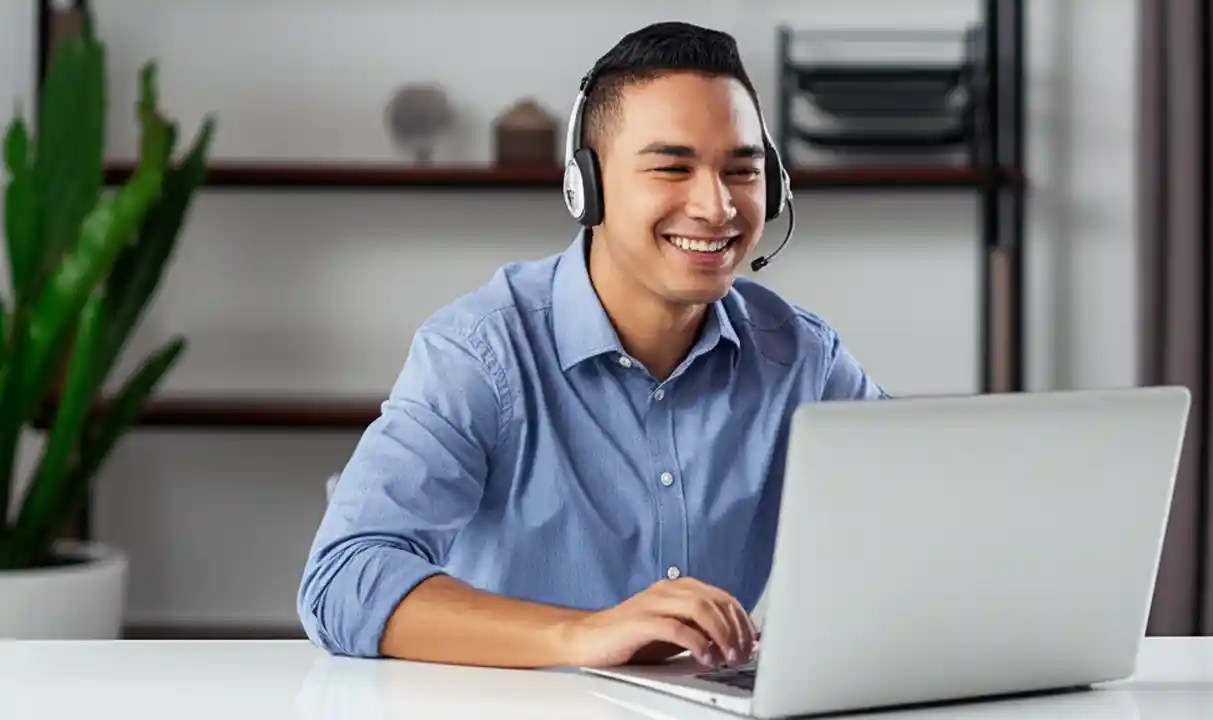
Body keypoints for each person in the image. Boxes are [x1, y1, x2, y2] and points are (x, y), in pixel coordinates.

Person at [298, 21, 888, 670]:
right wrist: (584, 635)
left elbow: (917, 517)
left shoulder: (801, 357)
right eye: (672, 167)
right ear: (588, 187)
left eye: (741, 171)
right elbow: (343, 578)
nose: (718, 206)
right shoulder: (480, 352)